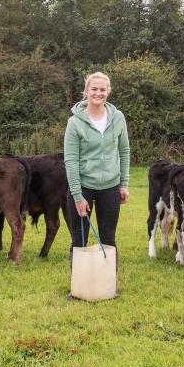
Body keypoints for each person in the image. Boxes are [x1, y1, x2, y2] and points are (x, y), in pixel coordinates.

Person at [63, 71, 130, 283]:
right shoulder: (74, 123)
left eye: (102, 89)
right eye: (94, 89)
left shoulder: (118, 118)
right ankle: (79, 286)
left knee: (108, 238)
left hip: (110, 187)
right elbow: (71, 161)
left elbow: (124, 151)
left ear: (108, 92)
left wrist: (124, 184)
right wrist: (77, 196)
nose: (98, 93)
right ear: (86, 91)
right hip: (82, 187)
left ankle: (108, 284)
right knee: (79, 239)